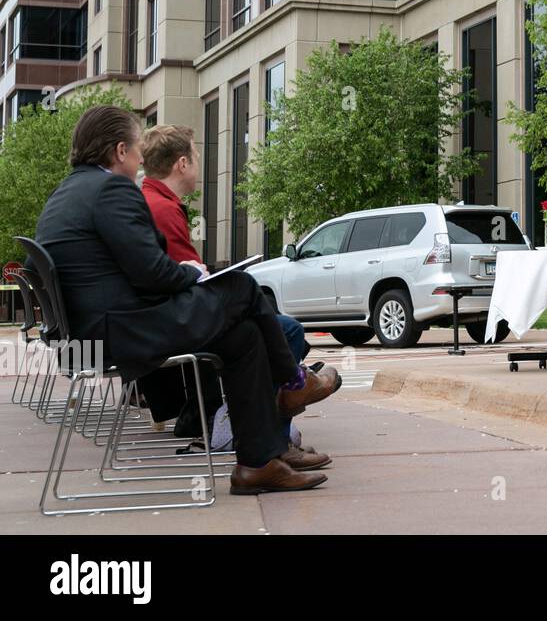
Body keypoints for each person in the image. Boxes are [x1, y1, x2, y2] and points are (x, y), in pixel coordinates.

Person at [31, 106, 339, 494]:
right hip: (122, 332)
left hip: (89, 338)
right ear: (120, 150)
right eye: (138, 148)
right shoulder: (111, 189)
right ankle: (294, 383)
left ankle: (258, 463)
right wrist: (193, 274)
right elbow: (152, 273)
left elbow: (123, 271)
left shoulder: (64, 194)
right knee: (243, 287)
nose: (142, 159)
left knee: (243, 336)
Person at [138, 124, 323, 466]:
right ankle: (275, 431)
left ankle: (268, 434)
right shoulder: (161, 208)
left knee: (260, 320)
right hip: (172, 323)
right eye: (194, 156)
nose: (196, 163)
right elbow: (182, 279)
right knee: (284, 329)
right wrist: (203, 273)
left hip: (162, 317)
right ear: (181, 164)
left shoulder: (154, 201)